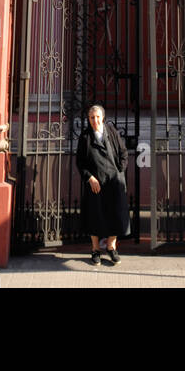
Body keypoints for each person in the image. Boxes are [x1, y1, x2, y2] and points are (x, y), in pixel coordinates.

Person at [75, 103, 130, 266]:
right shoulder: (85, 137)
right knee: (95, 215)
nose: (95, 120)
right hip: (95, 182)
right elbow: (80, 162)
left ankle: (111, 247)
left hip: (114, 180)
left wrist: (120, 170)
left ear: (103, 118)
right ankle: (95, 250)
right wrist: (90, 178)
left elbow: (123, 153)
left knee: (116, 214)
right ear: (88, 119)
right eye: (92, 117)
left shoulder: (112, 132)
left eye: (98, 117)